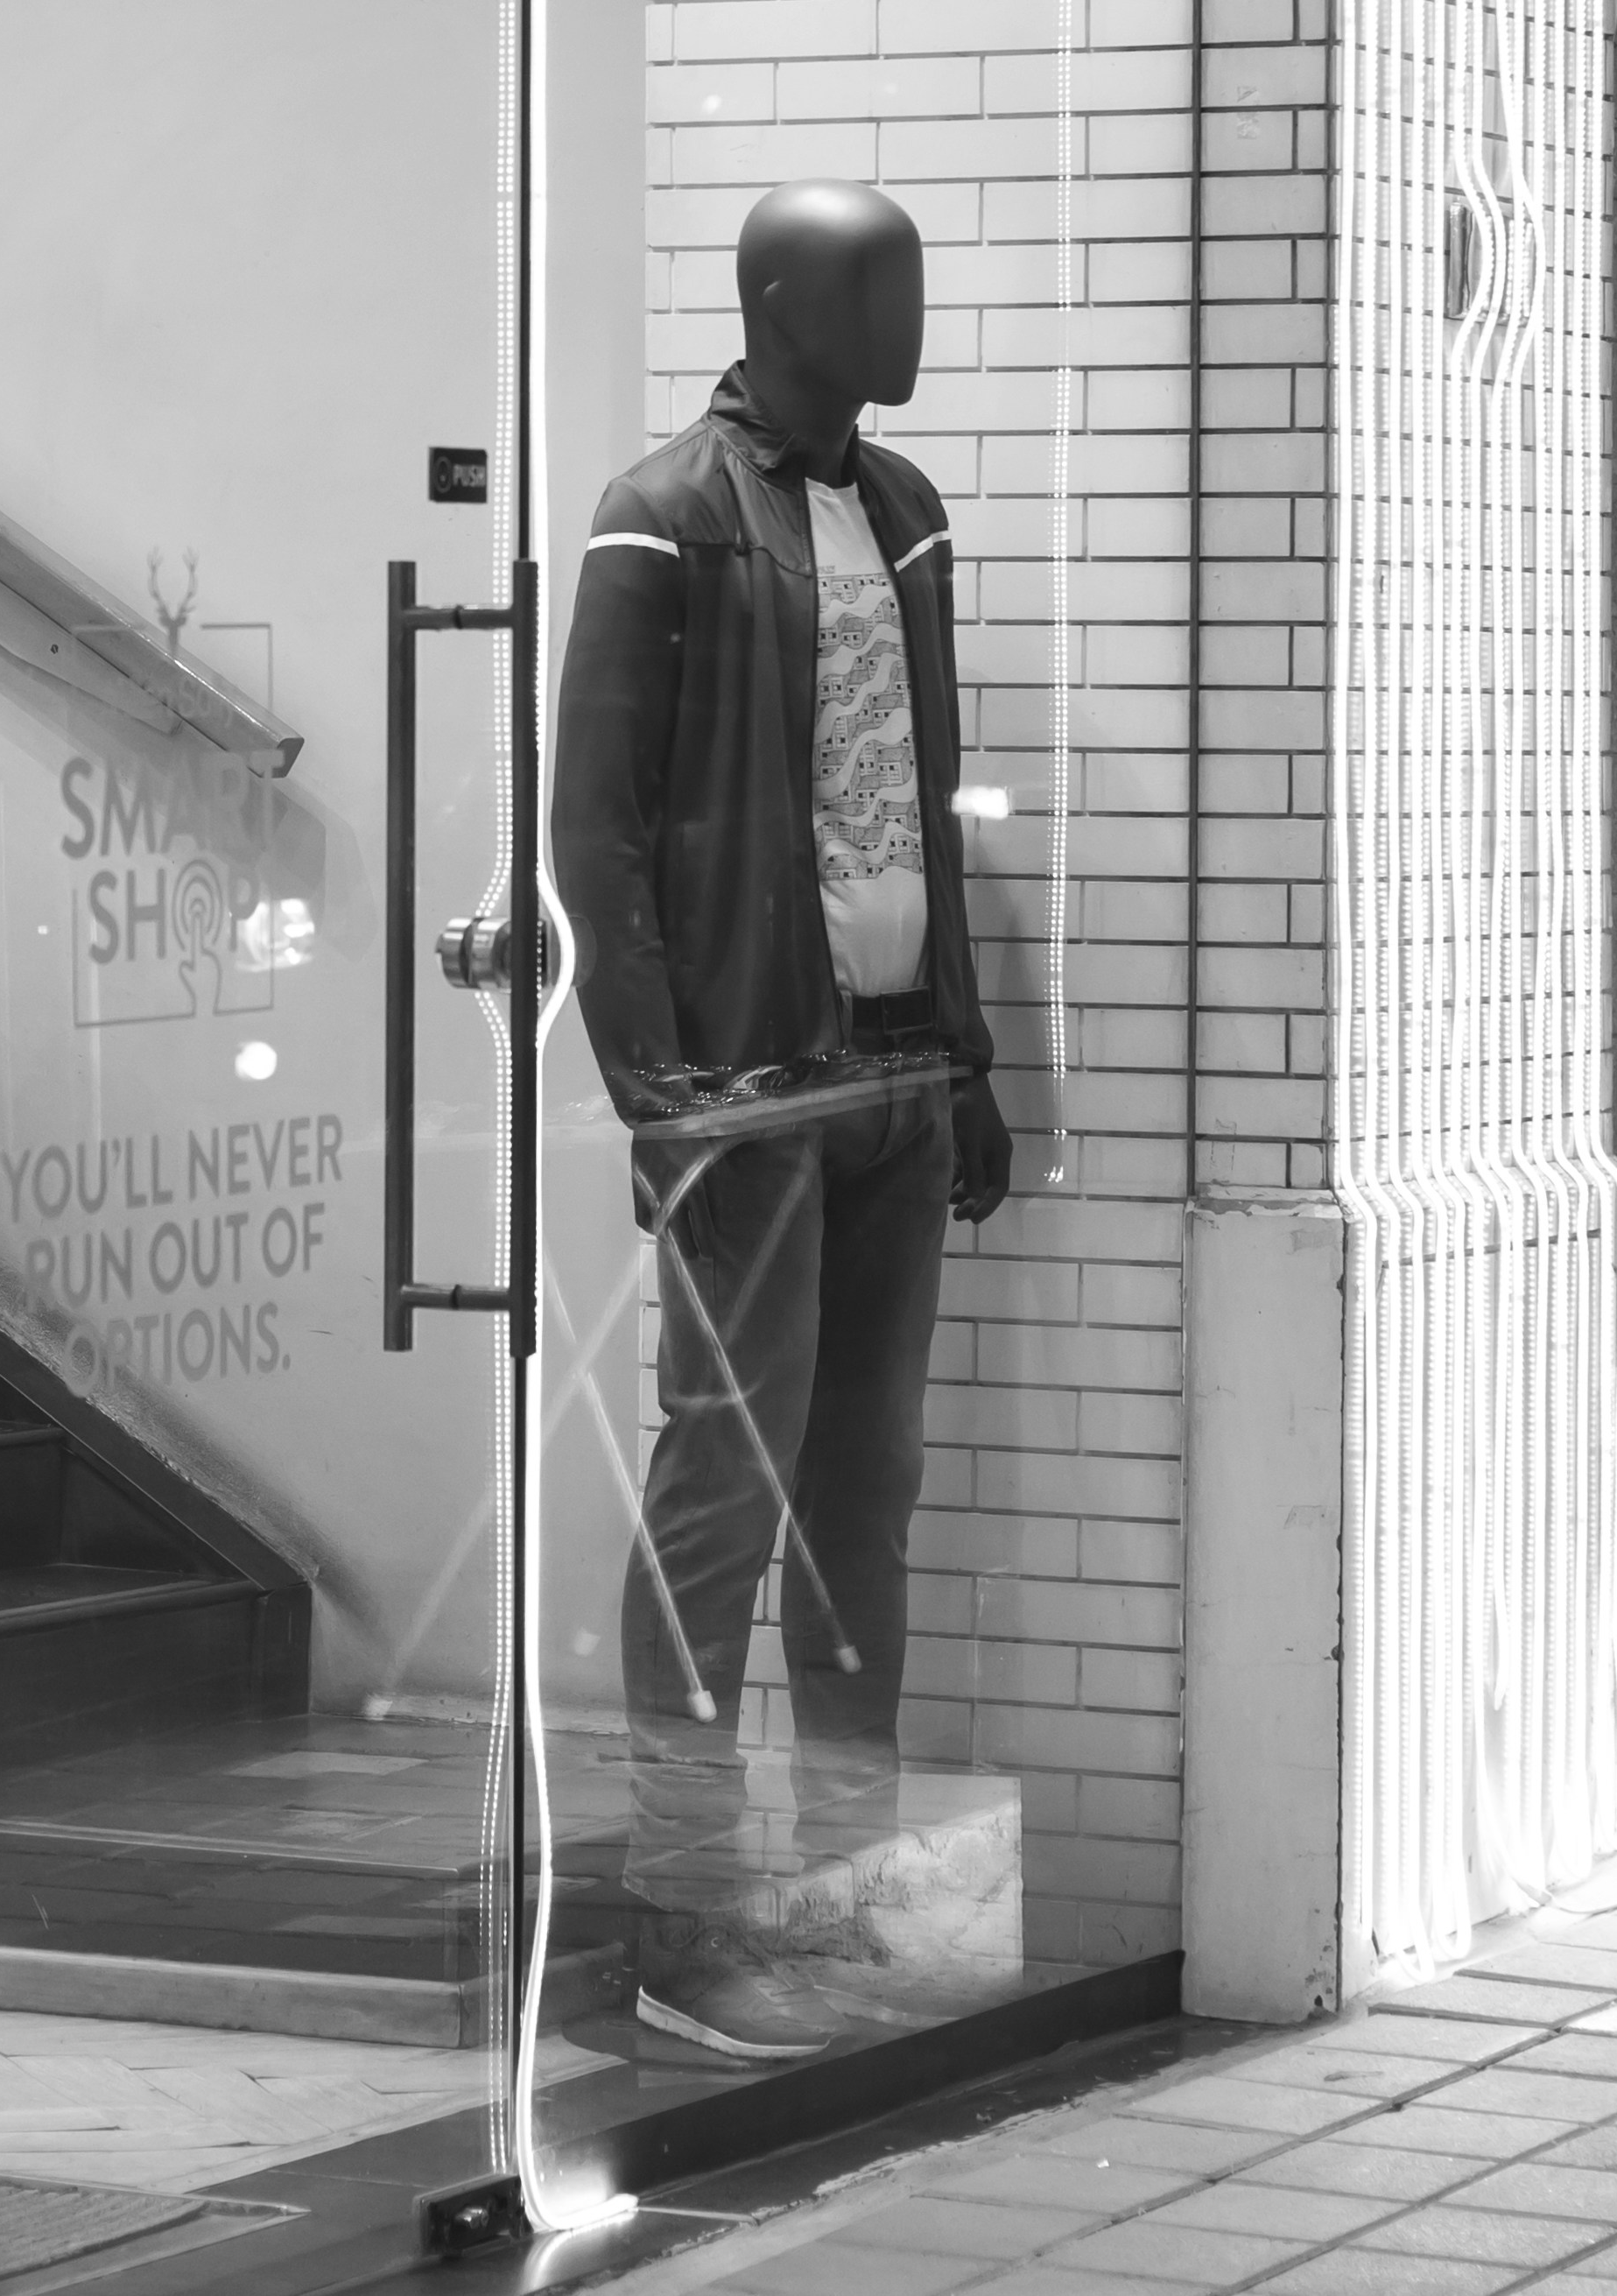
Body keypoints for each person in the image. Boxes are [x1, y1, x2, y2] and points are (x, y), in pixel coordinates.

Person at [551, 180, 1016, 2067]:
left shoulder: (904, 511)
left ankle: (848, 1901)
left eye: (905, 277)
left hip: (891, 1075)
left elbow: (931, 799)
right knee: (722, 1498)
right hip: (752, 1086)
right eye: (869, 282)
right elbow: (591, 829)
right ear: (775, 302)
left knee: (862, 1499)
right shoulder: (661, 514)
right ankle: (681, 1919)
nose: (904, 314)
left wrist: (967, 1055)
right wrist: (657, 1091)